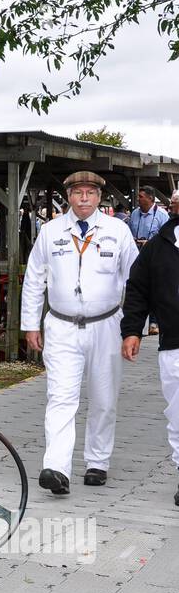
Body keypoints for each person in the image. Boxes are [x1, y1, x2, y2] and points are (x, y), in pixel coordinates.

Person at [21, 170, 137, 495]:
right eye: (77, 192)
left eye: (90, 193)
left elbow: (136, 280)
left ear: (100, 197)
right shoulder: (51, 231)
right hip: (61, 325)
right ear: (68, 196)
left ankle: (97, 461)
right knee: (60, 397)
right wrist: (30, 323)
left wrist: (134, 328)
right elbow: (34, 279)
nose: (84, 198)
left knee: (103, 397)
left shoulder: (118, 231)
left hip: (106, 325)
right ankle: (56, 468)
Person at [121, 210, 179, 507]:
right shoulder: (159, 246)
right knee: (177, 414)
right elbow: (138, 288)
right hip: (174, 344)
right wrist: (132, 330)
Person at [129, 186, 169, 336]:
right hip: (138, 257)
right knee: (139, 288)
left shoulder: (162, 215)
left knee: (155, 288)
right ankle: (139, 322)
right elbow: (129, 233)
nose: (138, 199)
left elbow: (167, 238)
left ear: (150, 198)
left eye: (141, 196)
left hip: (155, 257)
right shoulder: (134, 214)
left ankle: (154, 322)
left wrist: (151, 243)